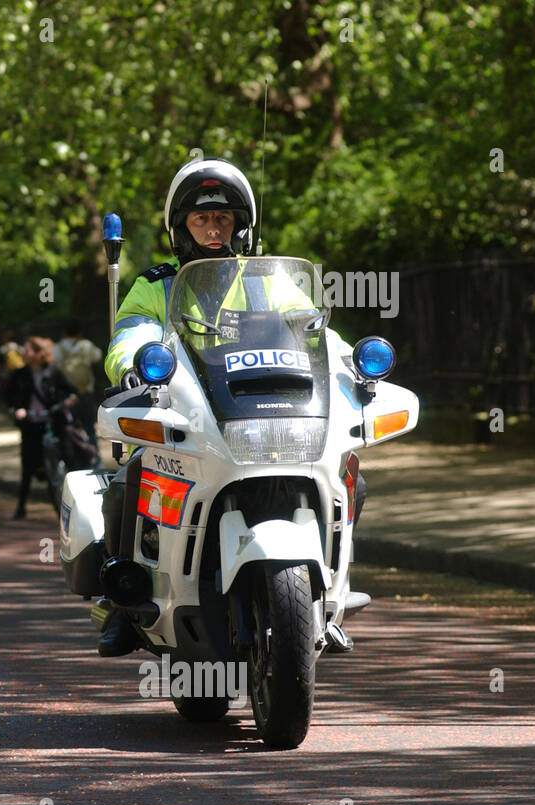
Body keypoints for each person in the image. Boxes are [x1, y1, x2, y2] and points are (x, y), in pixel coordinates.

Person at [97, 157, 363, 657]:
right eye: (202, 219)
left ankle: (331, 591)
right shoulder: (155, 285)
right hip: (189, 413)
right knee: (128, 480)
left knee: (351, 475)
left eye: (223, 219)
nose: (214, 229)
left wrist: (349, 365)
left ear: (241, 226)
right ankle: (124, 606)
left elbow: (313, 330)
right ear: (181, 227)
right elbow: (130, 333)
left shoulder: (265, 282)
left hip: (263, 413)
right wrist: (133, 363)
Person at [4, 336, 79, 519]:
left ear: (39, 354)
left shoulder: (53, 372)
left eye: (28, 350)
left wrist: (69, 400)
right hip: (31, 425)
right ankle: (21, 506)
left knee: (69, 459)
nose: (24, 353)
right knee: (28, 465)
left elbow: (73, 391)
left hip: (54, 422)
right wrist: (17, 410)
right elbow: (8, 397)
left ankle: (74, 504)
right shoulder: (19, 374)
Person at [55, 318, 104, 444]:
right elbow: (97, 356)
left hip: (66, 396)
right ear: (80, 332)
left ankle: (72, 458)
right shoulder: (86, 345)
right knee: (89, 426)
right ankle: (93, 456)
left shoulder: (57, 348)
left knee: (68, 428)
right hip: (85, 391)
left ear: (63, 332)